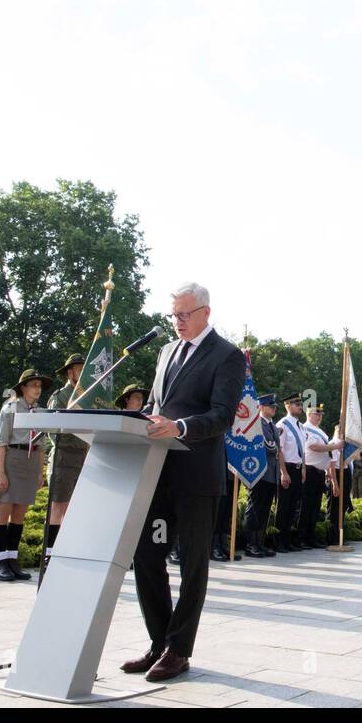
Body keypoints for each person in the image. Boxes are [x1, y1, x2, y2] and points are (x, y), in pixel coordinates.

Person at [123, 282, 248, 683]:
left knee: (193, 564)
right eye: (173, 314)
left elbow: (223, 415)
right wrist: (133, 420)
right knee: (147, 555)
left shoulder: (226, 356)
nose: (177, 322)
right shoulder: (165, 352)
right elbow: (159, 405)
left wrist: (179, 426)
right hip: (159, 473)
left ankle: (179, 650)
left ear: (205, 313)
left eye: (184, 314)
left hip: (197, 477)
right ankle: (159, 642)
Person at [0, 369, 53, 583]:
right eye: (33, 385)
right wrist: (1, 472)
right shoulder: (10, 408)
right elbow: (0, 442)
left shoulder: (40, 412)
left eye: (40, 386)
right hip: (11, 459)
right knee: (3, 512)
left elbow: (41, 444)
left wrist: (40, 471)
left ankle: (12, 560)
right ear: (23, 387)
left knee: (19, 515)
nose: (37, 389)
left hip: (30, 461)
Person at [42, 354, 89, 578]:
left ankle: (67, 551)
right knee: (58, 507)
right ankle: (50, 553)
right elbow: (53, 429)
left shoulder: (89, 396)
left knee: (74, 509)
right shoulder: (60, 396)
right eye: (79, 368)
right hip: (64, 455)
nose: (83, 371)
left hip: (83, 455)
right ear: (70, 372)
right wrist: (76, 438)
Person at [241, 394, 280, 559]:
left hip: (271, 472)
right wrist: (277, 448)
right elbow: (271, 447)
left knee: (264, 510)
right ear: (261, 407)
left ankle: (259, 543)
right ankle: (250, 544)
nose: (274, 408)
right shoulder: (257, 423)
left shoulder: (272, 426)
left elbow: (276, 446)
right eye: (271, 406)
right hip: (258, 472)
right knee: (255, 509)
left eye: (275, 406)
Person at [298, 403, 339, 549]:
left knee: (314, 507)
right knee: (306, 506)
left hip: (320, 472)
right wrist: (334, 446)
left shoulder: (319, 431)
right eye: (317, 414)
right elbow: (313, 447)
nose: (320, 417)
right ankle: (301, 538)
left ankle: (310, 536)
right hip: (309, 470)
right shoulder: (305, 428)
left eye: (321, 415)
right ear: (309, 414)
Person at [274, 394, 307, 552]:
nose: (300, 406)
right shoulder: (283, 424)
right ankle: (279, 541)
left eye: (301, 404)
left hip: (298, 468)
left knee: (293, 506)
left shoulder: (300, 426)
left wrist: (304, 469)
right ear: (287, 406)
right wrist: (283, 472)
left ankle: (288, 539)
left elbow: (302, 450)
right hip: (287, 467)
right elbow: (279, 450)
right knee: (284, 506)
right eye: (296, 404)